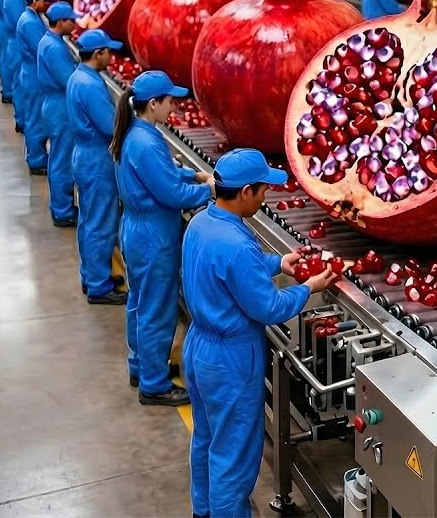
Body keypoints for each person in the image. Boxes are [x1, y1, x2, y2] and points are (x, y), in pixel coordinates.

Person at [182, 149, 339, 518]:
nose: (266, 195)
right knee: (233, 457)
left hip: (199, 348)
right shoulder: (236, 244)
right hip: (230, 361)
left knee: (207, 439)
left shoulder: (203, 224)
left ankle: (203, 511)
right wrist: (309, 288)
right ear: (246, 191)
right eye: (264, 189)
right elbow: (268, 308)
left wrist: (278, 263)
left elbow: (233, 269)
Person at [111, 70, 214, 405]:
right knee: (158, 309)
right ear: (152, 103)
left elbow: (161, 171)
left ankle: (141, 366)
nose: (174, 107)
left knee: (140, 303)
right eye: (170, 101)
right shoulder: (145, 141)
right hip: (153, 236)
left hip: (136, 228)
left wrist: (190, 172)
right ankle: (154, 385)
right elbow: (171, 193)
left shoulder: (137, 133)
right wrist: (209, 190)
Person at [66, 28, 128, 305]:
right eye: (108, 51)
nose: (111, 57)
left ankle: (90, 275)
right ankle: (99, 285)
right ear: (99, 53)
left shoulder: (79, 75)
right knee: (101, 224)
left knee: (89, 220)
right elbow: (108, 126)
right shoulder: (90, 85)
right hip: (96, 161)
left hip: (84, 155)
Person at [36, 2, 81, 228]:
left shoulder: (51, 41)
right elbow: (69, 80)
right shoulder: (53, 48)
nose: (74, 24)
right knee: (62, 159)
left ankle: (61, 206)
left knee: (58, 156)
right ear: (61, 22)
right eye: (71, 20)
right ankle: (62, 210)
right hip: (60, 108)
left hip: (54, 104)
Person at [15, 0, 56, 174]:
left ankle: (36, 155)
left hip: (30, 72)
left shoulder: (31, 17)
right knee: (35, 119)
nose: (46, 3)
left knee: (34, 116)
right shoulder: (30, 22)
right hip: (33, 76)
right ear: (34, 1)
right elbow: (41, 48)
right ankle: (37, 159)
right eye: (43, 0)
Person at [0, 0, 35, 108]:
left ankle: (10, 95)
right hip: (15, 42)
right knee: (16, 76)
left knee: (13, 72)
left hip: (12, 39)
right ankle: (13, 101)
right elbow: (20, 23)